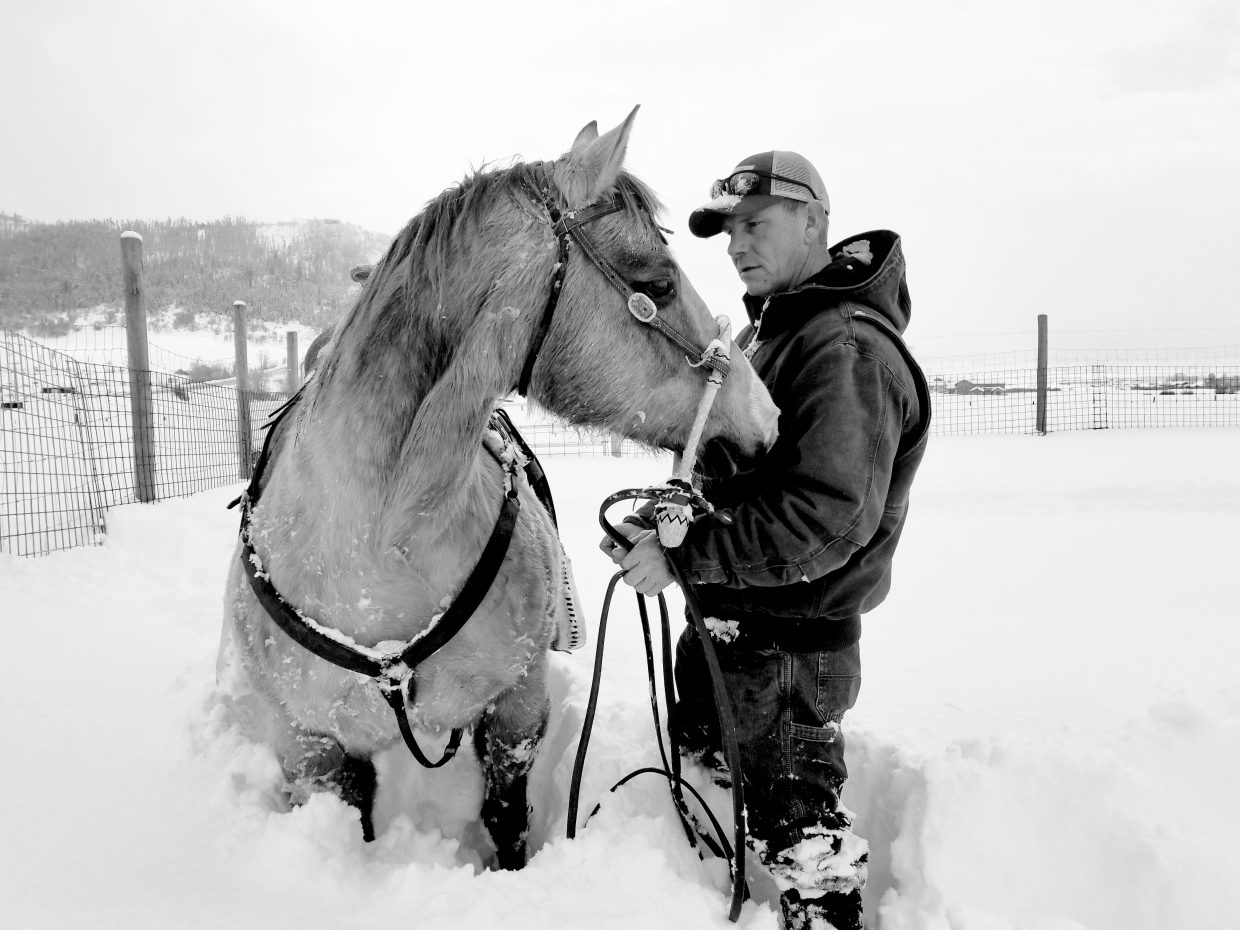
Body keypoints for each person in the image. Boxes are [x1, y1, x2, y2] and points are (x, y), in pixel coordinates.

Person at [601, 151, 930, 930]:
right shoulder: (771, 333)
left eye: (756, 223)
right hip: (733, 634)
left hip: (788, 655)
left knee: (807, 862)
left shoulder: (844, 348)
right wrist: (671, 522)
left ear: (813, 221)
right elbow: (743, 477)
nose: (737, 244)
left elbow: (827, 519)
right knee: (719, 815)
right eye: (728, 231)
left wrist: (685, 555)